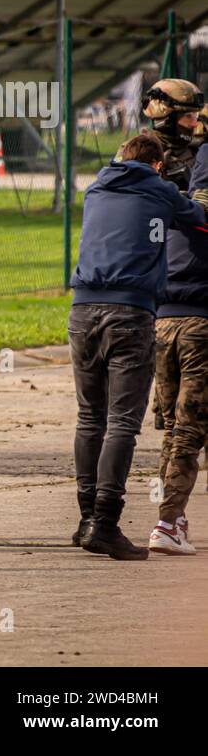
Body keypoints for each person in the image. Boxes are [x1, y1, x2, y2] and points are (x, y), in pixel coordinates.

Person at [69, 131, 207, 560]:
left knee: (89, 417)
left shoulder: (96, 189)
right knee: (122, 424)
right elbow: (200, 218)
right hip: (129, 314)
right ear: (159, 165)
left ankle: (86, 517)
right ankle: (106, 524)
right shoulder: (159, 189)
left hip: (81, 311)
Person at [151, 143, 208, 555]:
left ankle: (172, 518)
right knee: (189, 430)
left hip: (163, 322)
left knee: (174, 427)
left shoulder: (176, 213)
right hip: (199, 327)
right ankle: (169, 522)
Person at [143, 78, 205, 190]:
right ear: (167, 119)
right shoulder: (138, 152)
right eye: (188, 116)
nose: (195, 124)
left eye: (196, 117)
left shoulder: (199, 151)